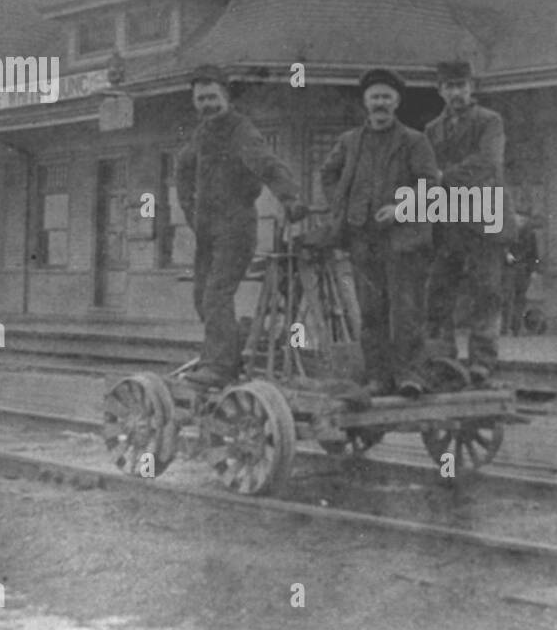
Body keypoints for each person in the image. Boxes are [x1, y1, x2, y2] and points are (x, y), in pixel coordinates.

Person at [176, 64, 308, 388]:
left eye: (212, 96)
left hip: (236, 227)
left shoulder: (241, 131)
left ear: (226, 96)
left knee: (216, 294)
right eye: (201, 98)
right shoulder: (202, 133)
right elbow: (182, 170)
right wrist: (192, 214)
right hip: (207, 230)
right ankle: (222, 356)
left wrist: (290, 199)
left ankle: (220, 367)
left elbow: (268, 164)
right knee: (201, 296)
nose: (207, 103)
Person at [320, 68, 439, 398]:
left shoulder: (415, 141)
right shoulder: (349, 142)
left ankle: (409, 375)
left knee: (405, 310)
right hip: (363, 239)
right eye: (375, 97)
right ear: (365, 102)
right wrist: (342, 207)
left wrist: (402, 209)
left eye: (387, 97)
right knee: (371, 312)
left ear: (397, 102)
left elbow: (430, 184)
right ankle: (378, 377)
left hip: (403, 241)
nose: (380, 103)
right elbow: (327, 174)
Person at [424, 58, 515, 385]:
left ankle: (482, 362)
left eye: (461, 86)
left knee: (486, 291)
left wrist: (443, 176)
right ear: (440, 91)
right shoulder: (431, 131)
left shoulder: (490, 122)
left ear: (471, 87)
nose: (456, 93)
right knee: (438, 291)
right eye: (449, 87)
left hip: (483, 218)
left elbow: (487, 163)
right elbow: (424, 170)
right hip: (448, 221)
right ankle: (443, 356)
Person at [502, 209, 541, 336]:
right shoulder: (505, 232)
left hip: (523, 271)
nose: (520, 222)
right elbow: (500, 247)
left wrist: (533, 270)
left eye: (523, 220)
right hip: (509, 269)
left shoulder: (530, 235)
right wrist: (506, 255)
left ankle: (516, 328)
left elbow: (534, 254)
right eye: (518, 219)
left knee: (520, 299)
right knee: (507, 298)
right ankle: (505, 327)